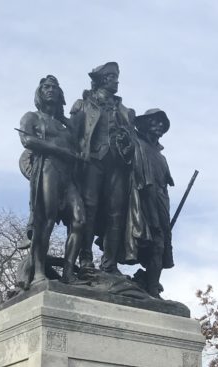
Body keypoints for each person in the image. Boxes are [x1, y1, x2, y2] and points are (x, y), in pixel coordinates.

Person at [16, 75, 85, 289]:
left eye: (54, 87)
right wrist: (58, 149)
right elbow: (27, 140)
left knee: (79, 220)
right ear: (39, 92)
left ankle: (68, 272)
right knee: (45, 221)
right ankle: (38, 272)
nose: (50, 90)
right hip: (47, 169)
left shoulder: (66, 126)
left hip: (68, 175)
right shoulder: (32, 117)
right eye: (46, 87)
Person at [69, 62, 136, 275]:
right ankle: (85, 258)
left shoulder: (125, 111)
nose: (116, 81)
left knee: (116, 213)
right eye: (112, 77)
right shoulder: (83, 105)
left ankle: (110, 263)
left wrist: (127, 143)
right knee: (89, 208)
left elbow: (134, 144)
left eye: (116, 76)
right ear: (101, 80)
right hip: (92, 162)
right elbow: (72, 136)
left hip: (117, 166)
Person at [127, 108, 175, 297]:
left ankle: (153, 287)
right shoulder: (138, 145)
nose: (160, 125)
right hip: (140, 203)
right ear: (145, 123)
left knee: (160, 245)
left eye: (163, 123)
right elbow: (142, 183)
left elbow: (163, 187)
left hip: (161, 204)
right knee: (151, 241)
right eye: (155, 121)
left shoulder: (161, 157)